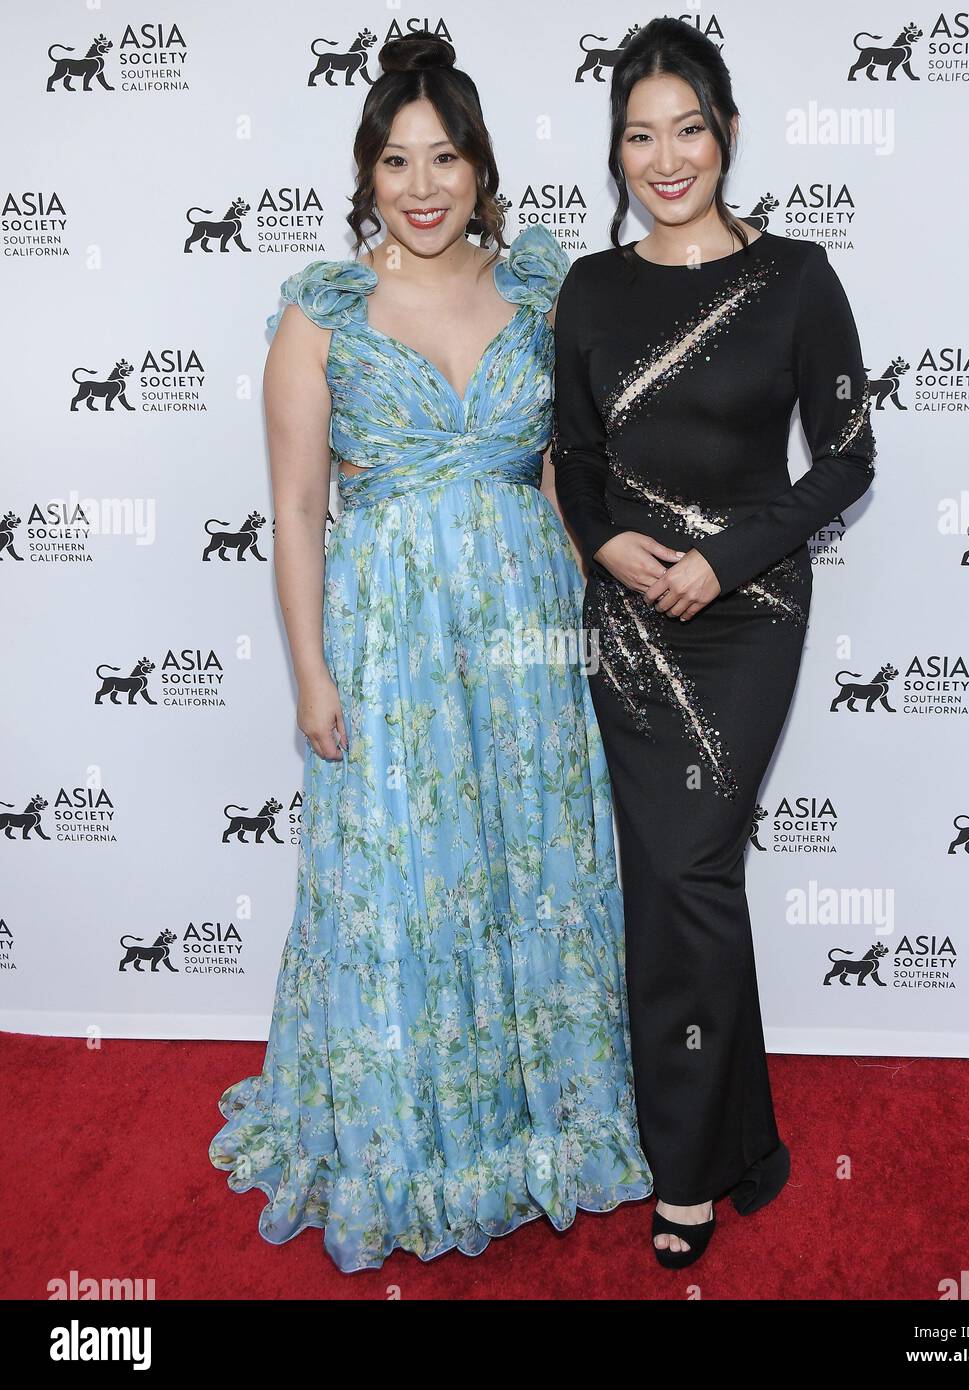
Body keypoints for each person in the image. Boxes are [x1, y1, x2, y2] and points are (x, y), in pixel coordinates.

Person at [209, 33, 651, 1274]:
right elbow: (298, 510)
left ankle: (537, 1133)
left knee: (528, 869)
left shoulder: (544, 293)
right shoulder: (320, 315)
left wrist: (603, 599)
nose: (422, 183)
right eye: (396, 160)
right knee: (406, 887)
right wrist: (309, 672)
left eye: (443, 156)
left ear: (479, 168)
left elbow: (571, 472)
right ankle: (411, 1140)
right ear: (367, 175)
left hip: (521, 632)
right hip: (392, 641)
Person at [552, 18, 877, 1268]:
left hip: (745, 620)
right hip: (629, 623)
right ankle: (737, 1140)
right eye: (639, 135)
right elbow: (574, 455)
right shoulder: (591, 286)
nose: (664, 156)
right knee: (682, 881)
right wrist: (602, 544)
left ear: (727, 133)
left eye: (686, 128)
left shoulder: (796, 276)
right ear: (617, 151)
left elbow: (846, 457)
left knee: (685, 872)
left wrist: (725, 557)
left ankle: (682, 1167)